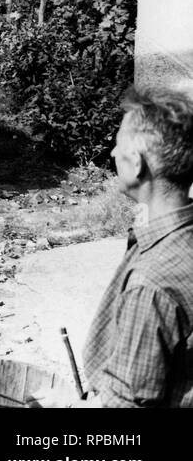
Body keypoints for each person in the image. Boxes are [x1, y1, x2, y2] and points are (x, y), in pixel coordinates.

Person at [34, 84, 193, 407]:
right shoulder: (178, 242)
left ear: (136, 165)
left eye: (118, 145)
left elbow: (127, 406)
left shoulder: (151, 283)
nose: (111, 154)